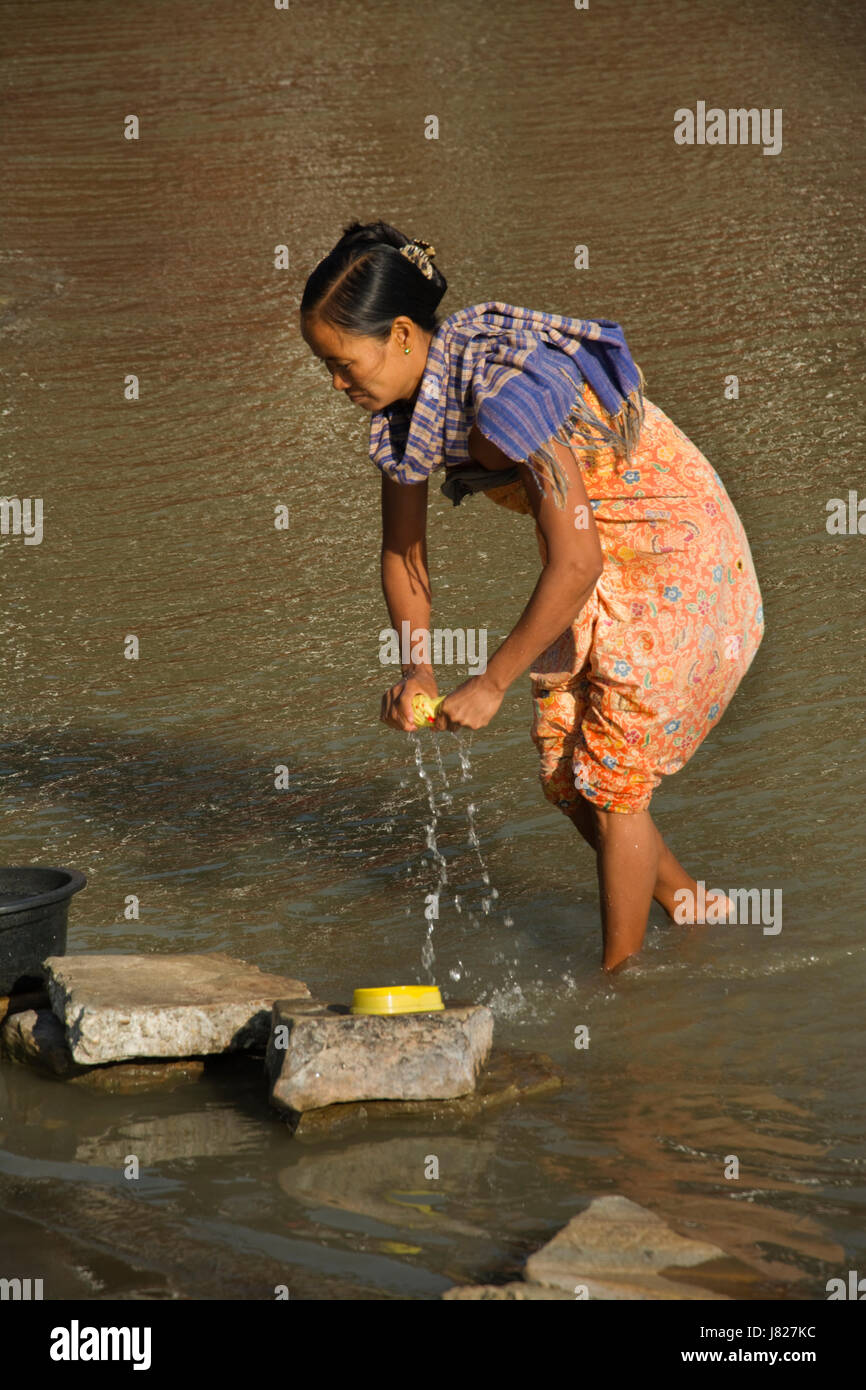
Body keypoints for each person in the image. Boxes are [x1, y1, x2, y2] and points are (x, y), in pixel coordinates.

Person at [299, 220, 764, 972]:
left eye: (343, 363)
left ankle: (623, 993)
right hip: (605, 563)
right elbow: (402, 552)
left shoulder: (504, 395)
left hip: (675, 553)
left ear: (406, 335)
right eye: (326, 366)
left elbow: (576, 558)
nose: (336, 384)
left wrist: (491, 681)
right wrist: (417, 667)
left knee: (615, 786)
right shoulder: (404, 420)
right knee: (567, 774)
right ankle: (691, 907)